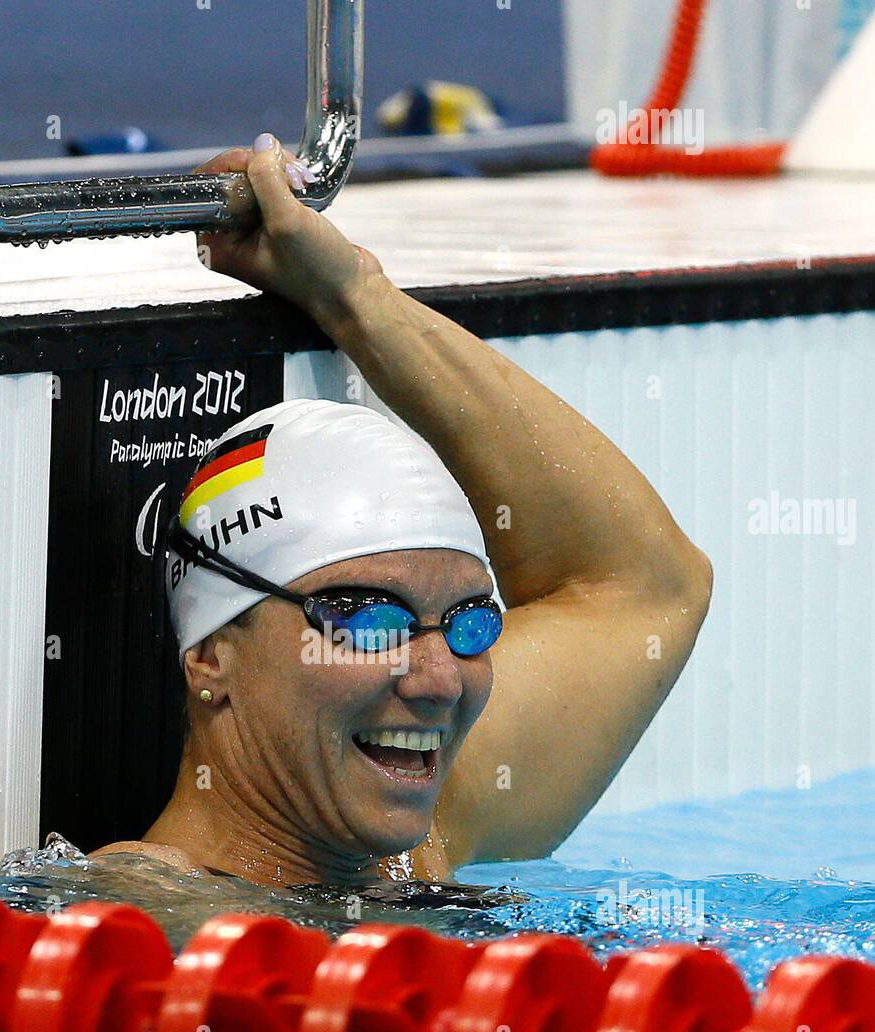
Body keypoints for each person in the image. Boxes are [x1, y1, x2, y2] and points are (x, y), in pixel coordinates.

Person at [93, 133, 712, 887]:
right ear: (211, 657)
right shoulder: (132, 913)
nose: (437, 682)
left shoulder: (422, 842)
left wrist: (355, 293)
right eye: (364, 621)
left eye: (469, 623)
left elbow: (644, 583)